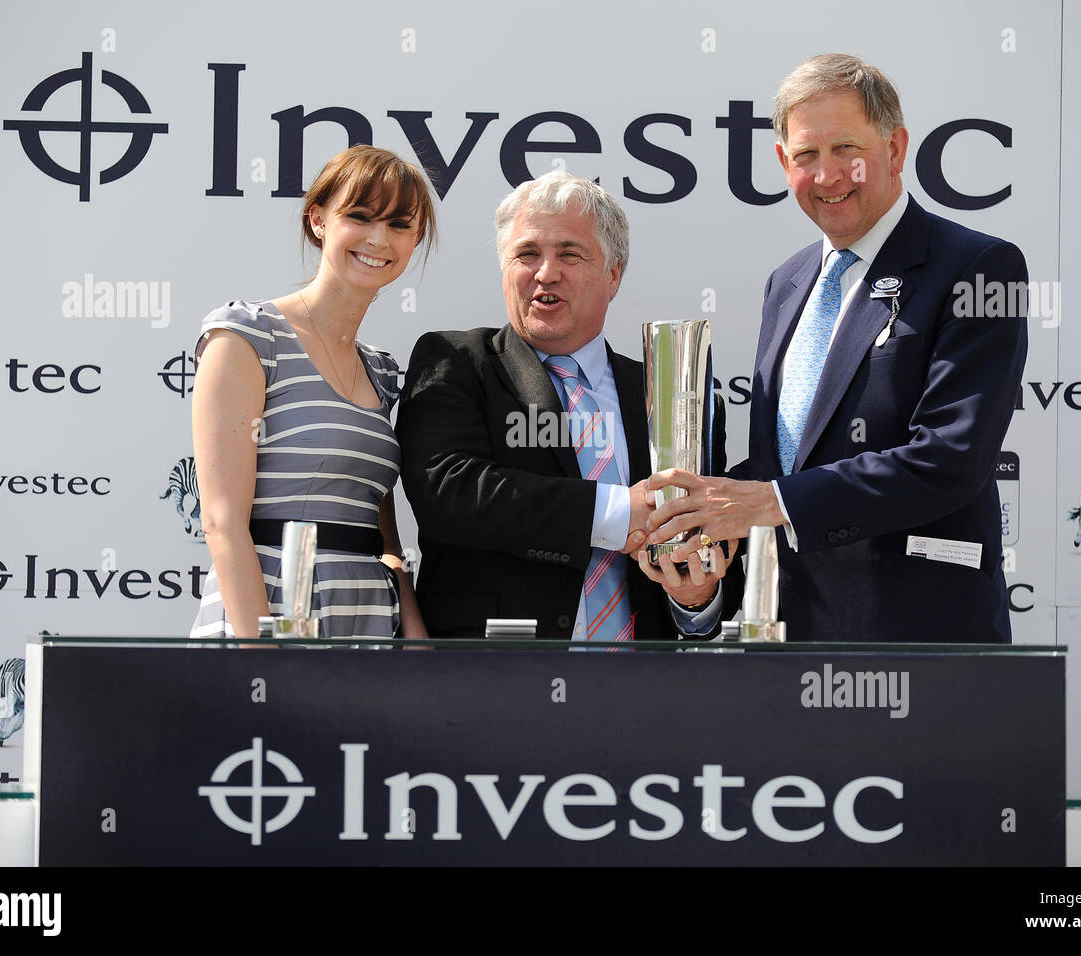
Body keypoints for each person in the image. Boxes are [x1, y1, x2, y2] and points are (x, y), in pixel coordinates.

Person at [645, 53, 1028, 643]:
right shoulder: (787, 282)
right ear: (782, 162)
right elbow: (787, 465)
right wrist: (697, 515)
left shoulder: (979, 268)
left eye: (847, 150)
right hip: (789, 636)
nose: (827, 176)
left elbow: (950, 460)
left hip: (922, 642)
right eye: (806, 156)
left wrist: (765, 501)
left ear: (896, 149)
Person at [396, 171, 740, 641]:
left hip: (642, 690)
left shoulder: (673, 396)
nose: (545, 272)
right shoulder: (457, 361)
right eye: (527, 254)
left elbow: (712, 542)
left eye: (569, 254)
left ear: (613, 273)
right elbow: (449, 493)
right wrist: (624, 512)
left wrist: (695, 600)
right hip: (493, 681)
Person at [190, 145, 435, 639]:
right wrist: (266, 661)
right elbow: (221, 521)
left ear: (415, 241)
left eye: (399, 225)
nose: (378, 238)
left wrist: (413, 634)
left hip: (366, 618)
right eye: (360, 216)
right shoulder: (247, 336)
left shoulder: (383, 372)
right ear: (318, 219)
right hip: (267, 616)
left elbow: (384, 534)